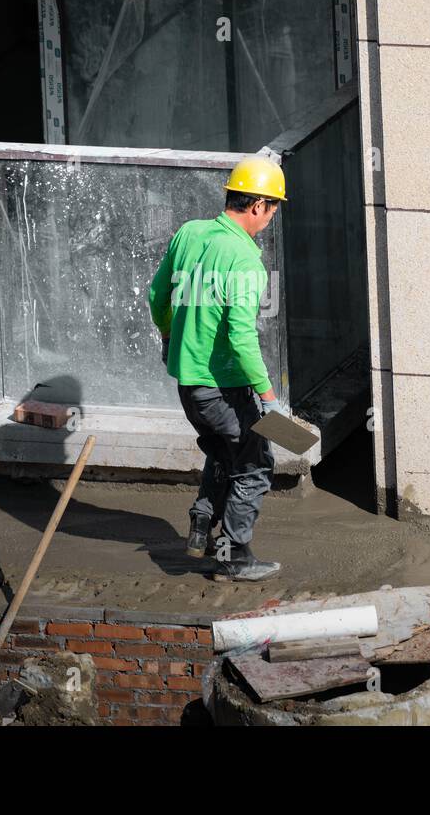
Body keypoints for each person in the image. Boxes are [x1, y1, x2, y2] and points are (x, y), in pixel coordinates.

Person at [147, 157, 287, 582]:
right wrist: (267, 397)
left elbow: (157, 295)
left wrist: (173, 340)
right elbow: (242, 337)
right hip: (223, 385)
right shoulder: (245, 260)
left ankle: (200, 527)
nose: (272, 217)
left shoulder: (190, 233)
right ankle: (234, 557)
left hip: (190, 385)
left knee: (224, 454)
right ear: (258, 205)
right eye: (274, 208)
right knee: (253, 465)